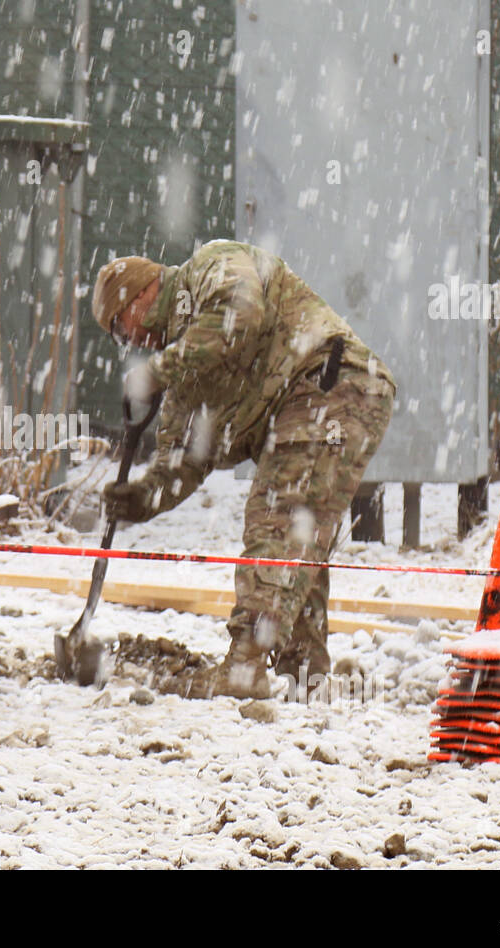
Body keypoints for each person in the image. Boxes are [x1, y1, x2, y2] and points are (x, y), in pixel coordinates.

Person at [91, 241, 395, 700]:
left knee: (279, 516)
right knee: (300, 533)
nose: (128, 342)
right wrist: (141, 498)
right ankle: (304, 675)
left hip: (332, 382)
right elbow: (185, 461)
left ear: (137, 297)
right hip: (316, 404)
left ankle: (245, 668)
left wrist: (159, 369)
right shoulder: (184, 372)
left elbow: (242, 313)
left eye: (120, 329)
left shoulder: (210, 266)